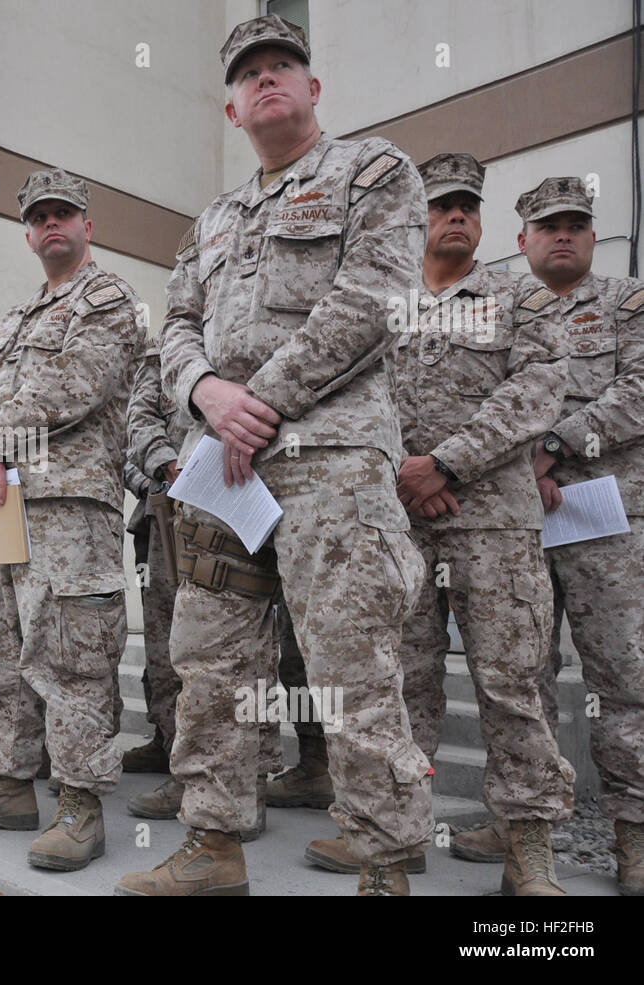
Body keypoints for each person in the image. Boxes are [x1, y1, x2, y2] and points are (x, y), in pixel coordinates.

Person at [116, 16, 434, 896]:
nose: (267, 80)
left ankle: (382, 864)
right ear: (230, 108)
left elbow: (374, 297)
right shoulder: (212, 219)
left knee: (351, 663)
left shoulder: (373, 171)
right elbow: (176, 325)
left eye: (283, 66)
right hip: (224, 465)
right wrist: (207, 395)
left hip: (329, 452)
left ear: (313, 88)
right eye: (250, 73)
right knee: (209, 658)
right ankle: (214, 844)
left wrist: (262, 399)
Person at [309, 153, 575, 895]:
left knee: (512, 686)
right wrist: (407, 474)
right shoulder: (379, 304)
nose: (455, 216)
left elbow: (539, 390)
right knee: (399, 687)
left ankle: (529, 851)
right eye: (440, 205)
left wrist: (447, 465)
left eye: (467, 205)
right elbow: (346, 397)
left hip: (493, 527)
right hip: (399, 528)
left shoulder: (519, 300)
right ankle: (393, 848)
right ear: (416, 218)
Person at [0, 170, 142, 872]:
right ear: (26, 233)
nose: (52, 224)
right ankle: (7, 782)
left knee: (72, 654)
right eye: (39, 216)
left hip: (71, 506)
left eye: (64, 214)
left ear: (88, 226)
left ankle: (80, 803)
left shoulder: (107, 299)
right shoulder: (13, 322)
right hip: (4, 503)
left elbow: (78, 385)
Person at [451, 176, 644, 896]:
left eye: (576, 224)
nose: (562, 234)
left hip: (607, 519)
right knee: (519, 677)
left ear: (593, 237)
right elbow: (473, 400)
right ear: (522, 239)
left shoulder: (626, 303)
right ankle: (520, 827)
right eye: (547, 225)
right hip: (513, 518)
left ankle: (635, 835)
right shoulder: (492, 309)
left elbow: (639, 388)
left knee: (624, 678)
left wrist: (556, 445)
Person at [121, 339, 195, 818]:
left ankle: (203, 767)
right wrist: (162, 477)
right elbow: (130, 441)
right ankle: (168, 742)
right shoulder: (160, 355)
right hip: (160, 515)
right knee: (161, 644)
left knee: (205, 646)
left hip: (222, 509)